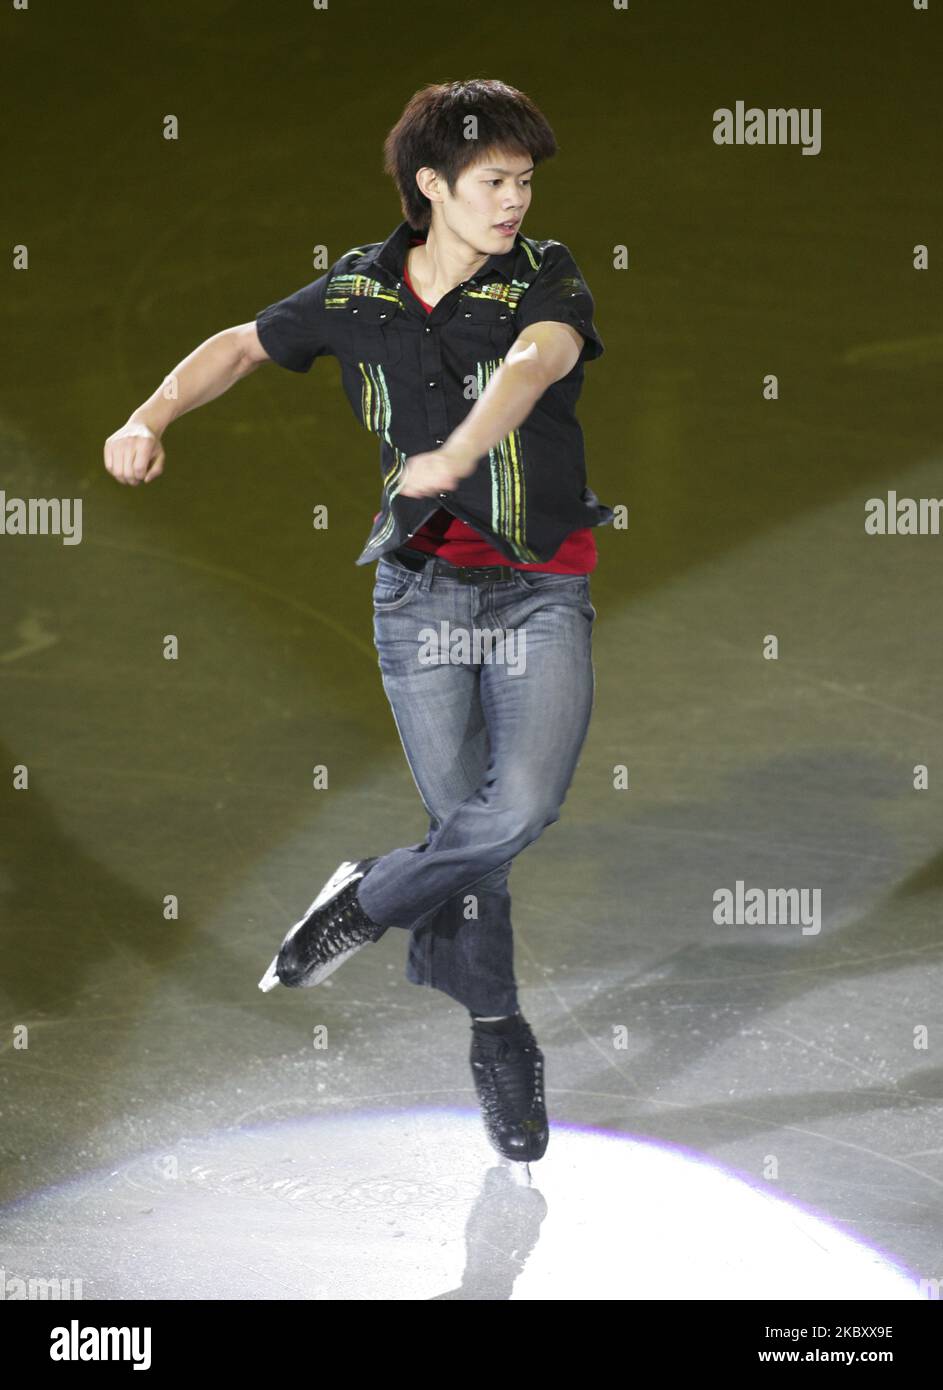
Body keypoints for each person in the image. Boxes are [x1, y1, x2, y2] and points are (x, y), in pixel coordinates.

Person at [103, 78, 612, 1165]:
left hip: (536, 587)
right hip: (419, 595)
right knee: (472, 848)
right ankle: (497, 1032)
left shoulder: (547, 274)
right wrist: (150, 413)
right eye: (492, 182)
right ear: (431, 186)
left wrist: (465, 445)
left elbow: (538, 360)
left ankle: (365, 902)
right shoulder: (358, 292)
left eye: (524, 181)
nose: (515, 200)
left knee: (517, 804)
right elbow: (242, 342)